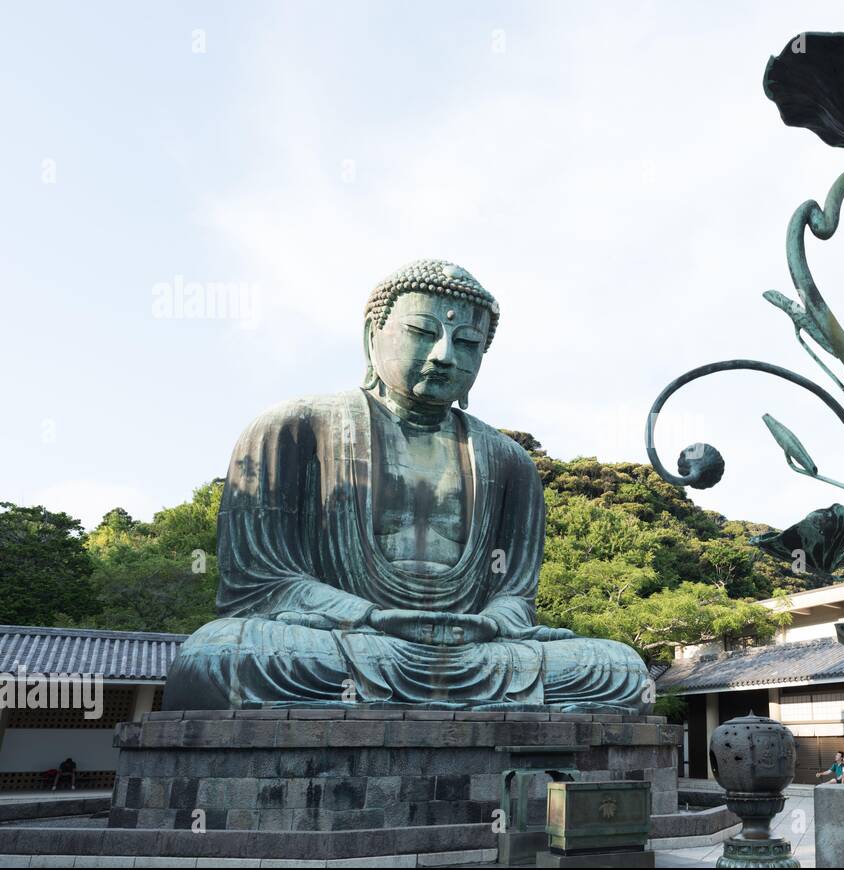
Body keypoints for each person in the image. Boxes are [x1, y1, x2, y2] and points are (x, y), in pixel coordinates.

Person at [161, 260, 650, 713]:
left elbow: (514, 595)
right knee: (220, 656)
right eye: (422, 333)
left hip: (474, 651)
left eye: (466, 343)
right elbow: (261, 586)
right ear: (373, 335)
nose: (444, 356)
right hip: (349, 642)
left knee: (619, 668)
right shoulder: (292, 428)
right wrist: (371, 617)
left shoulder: (508, 461)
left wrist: (492, 623)